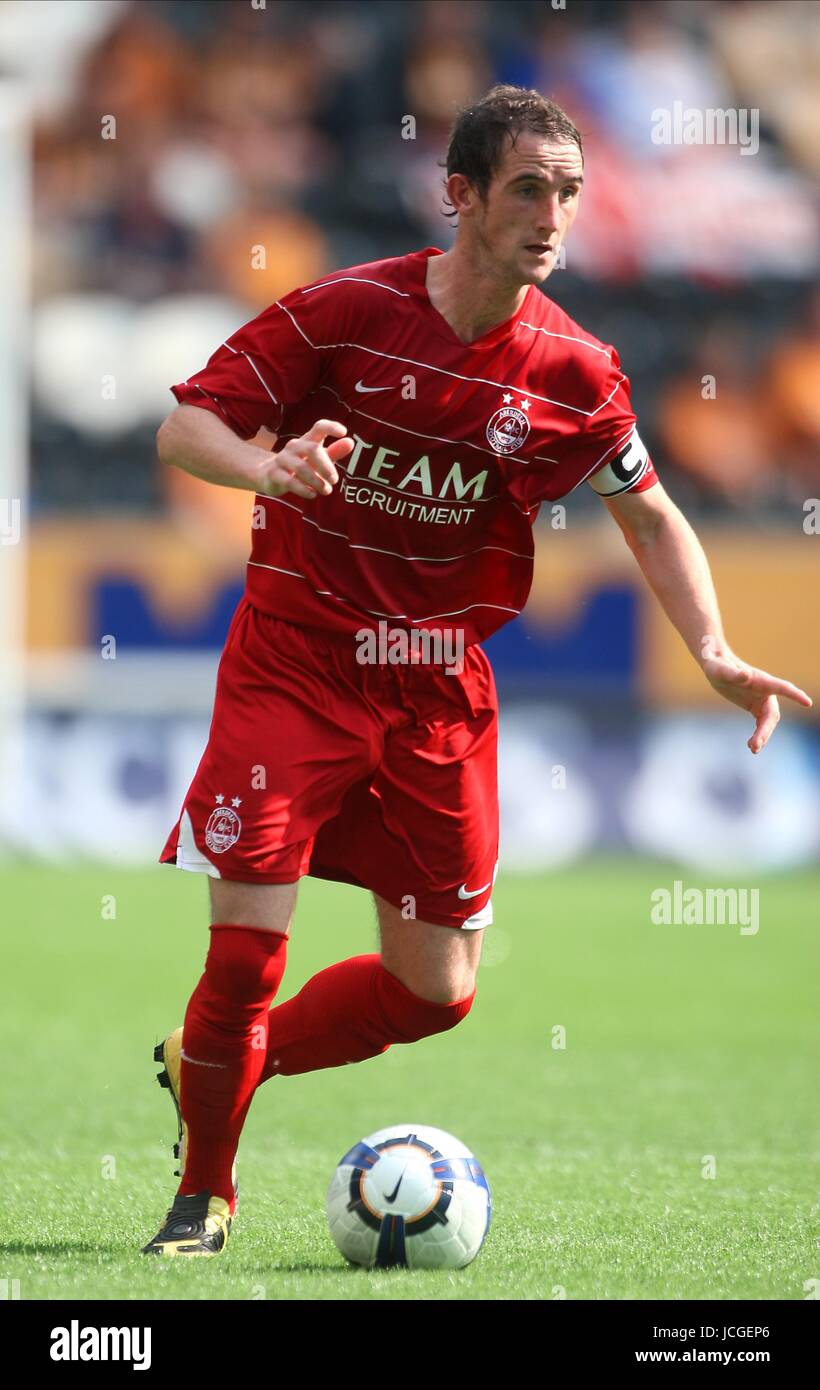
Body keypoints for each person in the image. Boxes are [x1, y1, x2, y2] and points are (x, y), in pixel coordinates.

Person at [144, 85, 811, 1256]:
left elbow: (651, 518)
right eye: (526, 189)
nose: (552, 215)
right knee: (245, 949)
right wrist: (269, 471)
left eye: (567, 192)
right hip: (295, 664)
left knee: (434, 994)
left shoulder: (575, 372)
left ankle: (200, 1061)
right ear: (460, 195)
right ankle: (205, 1195)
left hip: (438, 690)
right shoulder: (341, 312)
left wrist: (710, 649)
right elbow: (186, 428)